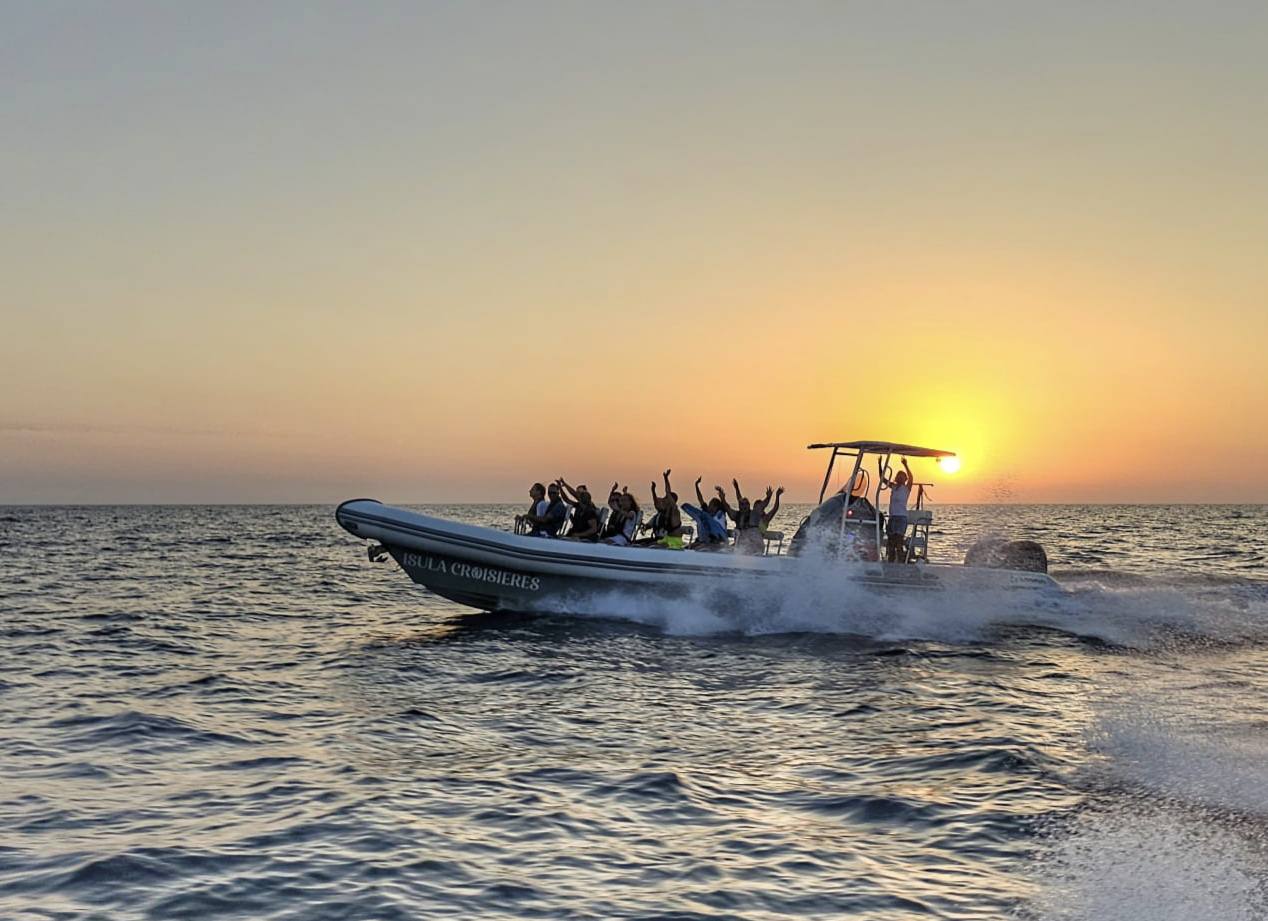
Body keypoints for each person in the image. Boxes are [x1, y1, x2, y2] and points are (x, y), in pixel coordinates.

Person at [639, 469, 685, 548]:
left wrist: (666, 478)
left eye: (666, 498)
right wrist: (653, 490)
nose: (663, 499)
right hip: (662, 540)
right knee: (637, 543)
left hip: (673, 542)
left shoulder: (674, 511)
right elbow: (656, 503)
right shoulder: (661, 512)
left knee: (652, 546)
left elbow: (667, 492)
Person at [682, 476, 730, 548]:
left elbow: (725, 505)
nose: (709, 506)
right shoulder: (707, 512)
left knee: (705, 516)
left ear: (716, 507)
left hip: (721, 537)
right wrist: (696, 486)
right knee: (703, 519)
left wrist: (722, 495)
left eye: (711, 505)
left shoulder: (720, 512)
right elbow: (700, 499)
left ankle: (707, 541)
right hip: (709, 537)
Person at [883, 457, 914, 562]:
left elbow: (911, 477)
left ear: (904, 479)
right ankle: (890, 562)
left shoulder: (906, 488)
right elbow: (883, 479)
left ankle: (901, 562)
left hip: (901, 518)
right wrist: (879, 465)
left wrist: (905, 465)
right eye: (899, 477)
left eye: (902, 477)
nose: (900, 478)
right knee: (891, 541)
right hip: (892, 517)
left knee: (898, 541)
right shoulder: (893, 487)